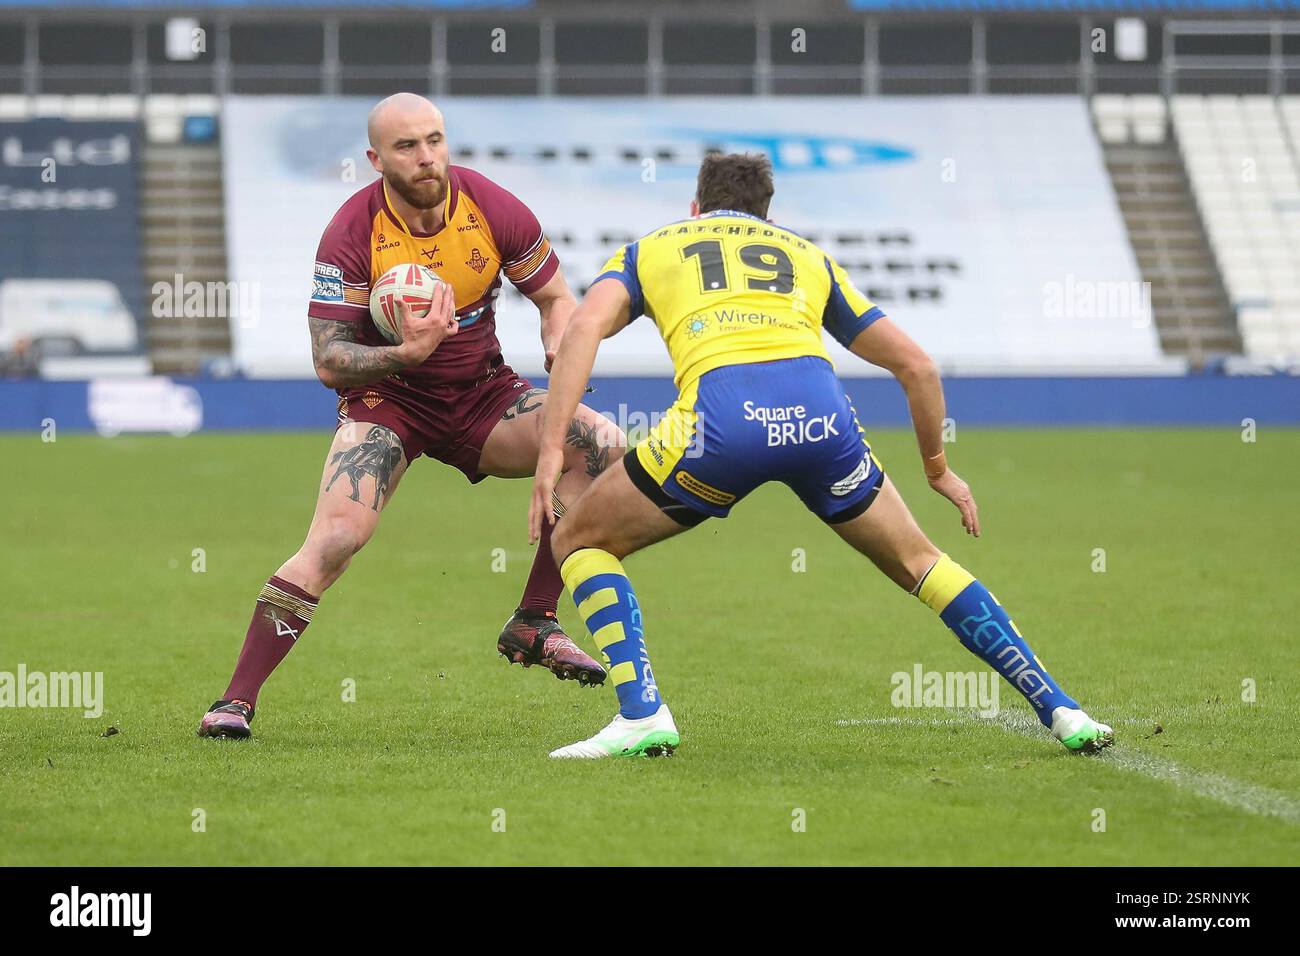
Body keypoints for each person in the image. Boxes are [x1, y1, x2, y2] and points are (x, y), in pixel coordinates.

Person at [528, 152, 1114, 759]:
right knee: (922, 563)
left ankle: (641, 713)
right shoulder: (806, 255)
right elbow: (917, 366)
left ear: (695, 208)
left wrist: (551, 451)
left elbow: (582, 331)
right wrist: (937, 469)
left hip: (720, 421)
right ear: (766, 212)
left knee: (578, 541)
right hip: (819, 418)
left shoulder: (651, 249)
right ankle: (1063, 709)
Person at [198, 93, 623, 739]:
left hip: (484, 395)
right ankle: (235, 702)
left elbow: (557, 297)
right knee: (337, 539)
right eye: (406, 146)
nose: (427, 158)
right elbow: (330, 361)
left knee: (597, 444)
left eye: (434, 140)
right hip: (390, 402)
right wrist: (406, 352)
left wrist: (560, 341)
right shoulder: (351, 232)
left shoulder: (489, 206)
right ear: (375, 159)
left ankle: (535, 619)